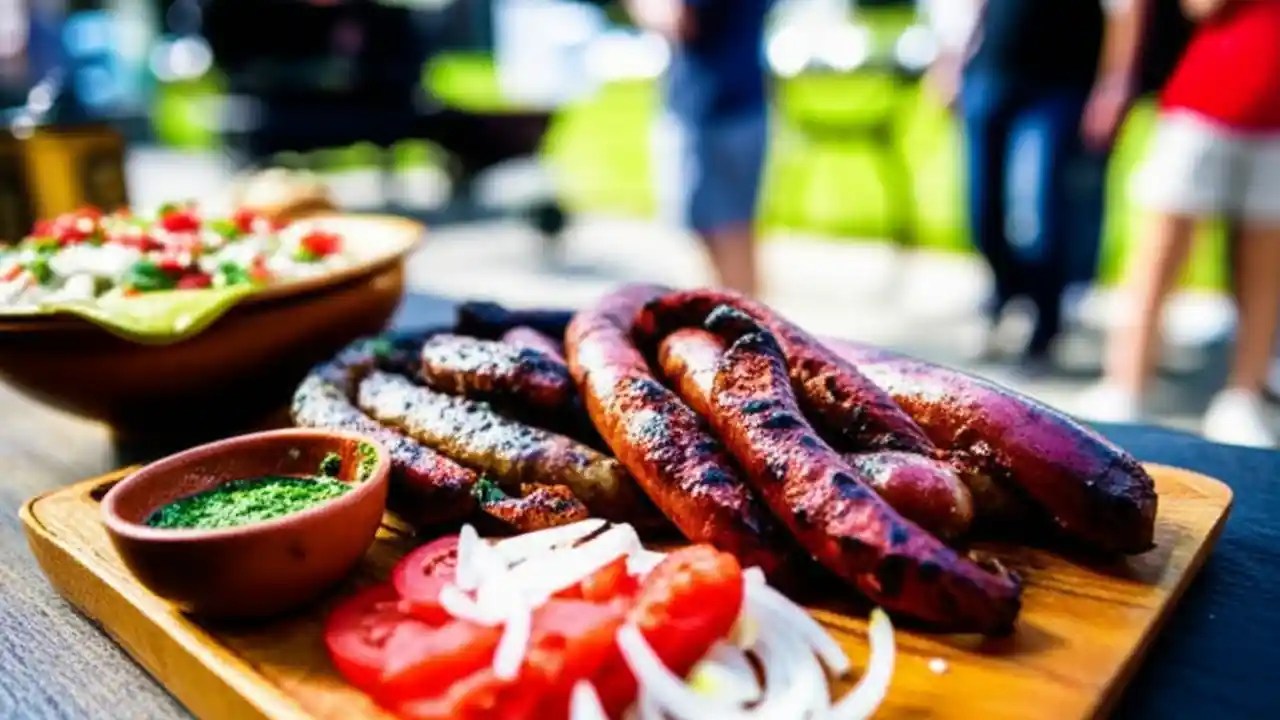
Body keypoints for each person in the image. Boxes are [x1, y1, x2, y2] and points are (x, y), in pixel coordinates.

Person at [1082, 0, 1280, 447]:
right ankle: (1126, 384)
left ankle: (1243, 396)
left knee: (1264, 268)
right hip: (1205, 103)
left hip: (1274, 118)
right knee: (1159, 256)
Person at [929, 0, 1148, 368]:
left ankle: (1046, 323)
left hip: (1059, 80)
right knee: (982, 207)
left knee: (1041, 211)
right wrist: (951, 57)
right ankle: (1003, 293)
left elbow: (1124, 10)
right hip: (992, 68)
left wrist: (1115, 84)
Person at [628, 0, 772, 296]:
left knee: (727, 233)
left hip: (715, 110)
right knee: (727, 232)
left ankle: (752, 327)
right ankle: (748, 320)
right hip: (735, 103)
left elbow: (677, 21)